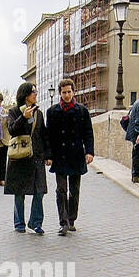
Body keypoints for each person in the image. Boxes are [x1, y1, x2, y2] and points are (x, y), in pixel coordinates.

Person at [44, 77, 95, 236]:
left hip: (76, 154)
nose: (66, 95)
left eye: (69, 92)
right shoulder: (52, 112)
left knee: (74, 190)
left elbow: (88, 132)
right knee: (61, 190)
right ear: (60, 93)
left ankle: (72, 219)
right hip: (59, 156)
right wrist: (49, 155)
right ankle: (63, 222)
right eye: (64, 92)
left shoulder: (82, 111)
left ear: (73, 92)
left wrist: (89, 151)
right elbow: (49, 136)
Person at [5, 81, 48, 234]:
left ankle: (35, 222)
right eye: (33, 92)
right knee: (19, 191)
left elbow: (43, 135)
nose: (36, 94)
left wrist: (48, 155)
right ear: (25, 95)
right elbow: (12, 130)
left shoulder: (38, 113)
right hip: (20, 156)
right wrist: (23, 117)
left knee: (39, 191)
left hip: (36, 156)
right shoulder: (14, 112)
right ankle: (19, 223)